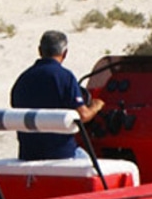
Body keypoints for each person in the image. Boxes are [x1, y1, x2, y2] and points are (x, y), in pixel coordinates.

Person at [9, 30, 105, 160]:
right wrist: (96, 106)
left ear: (39, 50)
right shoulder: (65, 77)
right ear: (65, 53)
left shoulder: (23, 79)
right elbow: (83, 115)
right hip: (62, 154)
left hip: (28, 155)